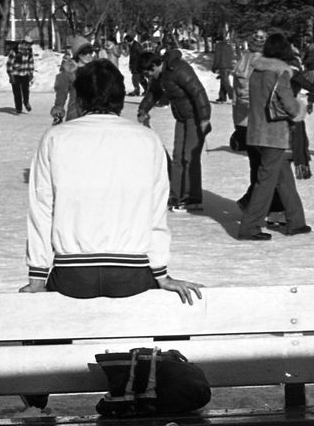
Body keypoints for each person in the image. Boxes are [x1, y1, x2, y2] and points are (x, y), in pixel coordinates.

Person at [21, 59, 202, 303]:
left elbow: (42, 209)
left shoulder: (55, 137)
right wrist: (161, 273)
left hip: (72, 276)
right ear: (118, 97)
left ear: (81, 97)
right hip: (131, 275)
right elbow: (156, 211)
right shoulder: (148, 140)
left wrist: (37, 276)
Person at [237, 32, 310, 241]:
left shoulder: (256, 71)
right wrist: (299, 111)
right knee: (265, 184)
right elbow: (287, 102)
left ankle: (296, 222)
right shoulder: (281, 72)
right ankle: (249, 227)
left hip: (255, 132)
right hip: (274, 135)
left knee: (283, 178)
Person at [137, 50, 212, 212]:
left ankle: (191, 196)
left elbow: (198, 91)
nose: (149, 75)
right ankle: (176, 195)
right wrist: (143, 109)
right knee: (178, 157)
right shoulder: (160, 76)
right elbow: (153, 93)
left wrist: (205, 118)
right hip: (181, 117)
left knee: (189, 156)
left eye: (150, 71)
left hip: (195, 117)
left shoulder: (178, 69)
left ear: (156, 64)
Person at [51, 36, 96, 125]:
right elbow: (61, 93)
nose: (88, 56)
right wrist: (58, 110)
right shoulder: (69, 73)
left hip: (94, 115)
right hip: (76, 115)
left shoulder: (96, 70)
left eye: (90, 52)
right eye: (84, 53)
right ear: (77, 54)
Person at [6, 34, 35, 114]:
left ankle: (26, 102)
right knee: (17, 93)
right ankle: (18, 108)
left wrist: (31, 73)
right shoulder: (15, 51)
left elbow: (31, 62)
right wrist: (11, 76)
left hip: (25, 73)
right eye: (29, 44)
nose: (30, 46)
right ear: (24, 43)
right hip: (15, 74)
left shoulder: (29, 51)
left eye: (30, 45)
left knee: (26, 91)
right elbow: (9, 64)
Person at [211, 35, 235, 104]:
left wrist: (214, 67)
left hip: (223, 66)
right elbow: (232, 56)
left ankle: (234, 97)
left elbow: (217, 57)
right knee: (224, 81)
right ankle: (222, 97)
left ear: (217, 41)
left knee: (225, 82)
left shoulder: (219, 46)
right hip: (229, 66)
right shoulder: (229, 45)